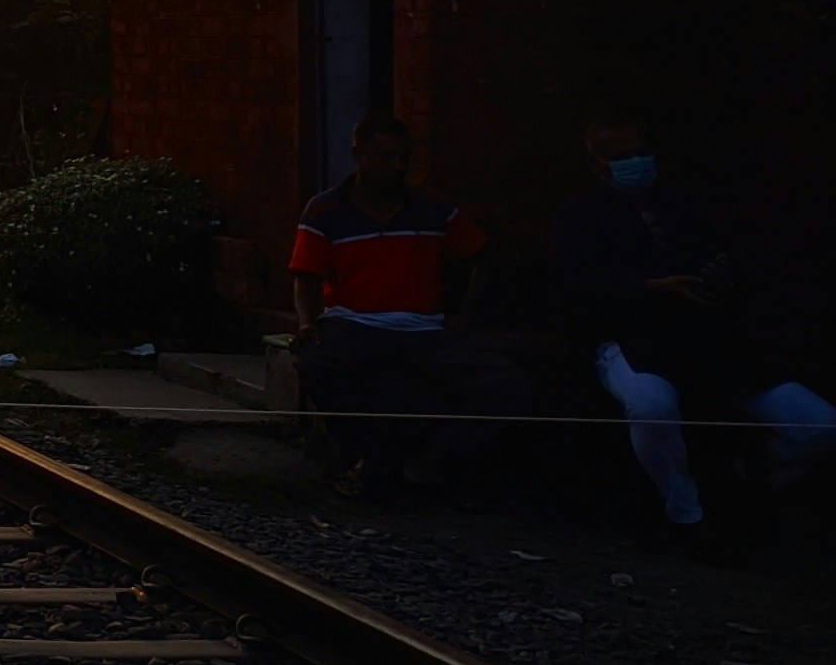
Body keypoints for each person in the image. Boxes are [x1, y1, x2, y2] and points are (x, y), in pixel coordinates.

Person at [555, 106, 836, 549]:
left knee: (819, 424)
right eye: (620, 155)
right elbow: (576, 284)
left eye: (640, 152)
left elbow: (735, 262)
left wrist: (718, 281)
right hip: (632, 339)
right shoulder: (582, 213)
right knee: (651, 406)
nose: (634, 162)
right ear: (597, 163)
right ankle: (685, 510)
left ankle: (740, 493)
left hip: (709, 340)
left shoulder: (684, 205)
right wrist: (652, 288)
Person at [288, 116, 525, 485]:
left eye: (403, 158)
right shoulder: (325, 211)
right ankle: (371, 456)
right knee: (318, 365)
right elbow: (306, 277)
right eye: (385, 157)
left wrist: (463, 314)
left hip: (425, 330)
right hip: (353, 325)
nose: (397, 167)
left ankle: (430, 462)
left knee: (505, 382)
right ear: (359, 155)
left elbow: (481, 254)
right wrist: (306, 322)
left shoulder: (431, 207)